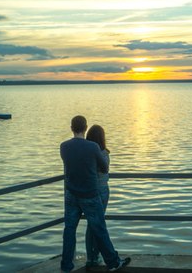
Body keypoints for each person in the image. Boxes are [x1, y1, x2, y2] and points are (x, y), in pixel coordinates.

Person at [59, 115, 130, 272]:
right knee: (99, 229)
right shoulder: (93, 147)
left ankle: (66, 266)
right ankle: (113, 262)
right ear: (85, 128)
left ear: (71, 128)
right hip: (89, 194)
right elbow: (104, 167)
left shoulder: (64, 146)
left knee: (69, 230)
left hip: (71, 194)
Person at [85, 124, 110, 269]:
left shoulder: (86, 154)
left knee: (91, 225)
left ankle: (91, 257)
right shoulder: (103, 153)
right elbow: (104, 170)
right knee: (99, 224)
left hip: (89, 190)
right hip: (101, 190)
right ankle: (98, 256)